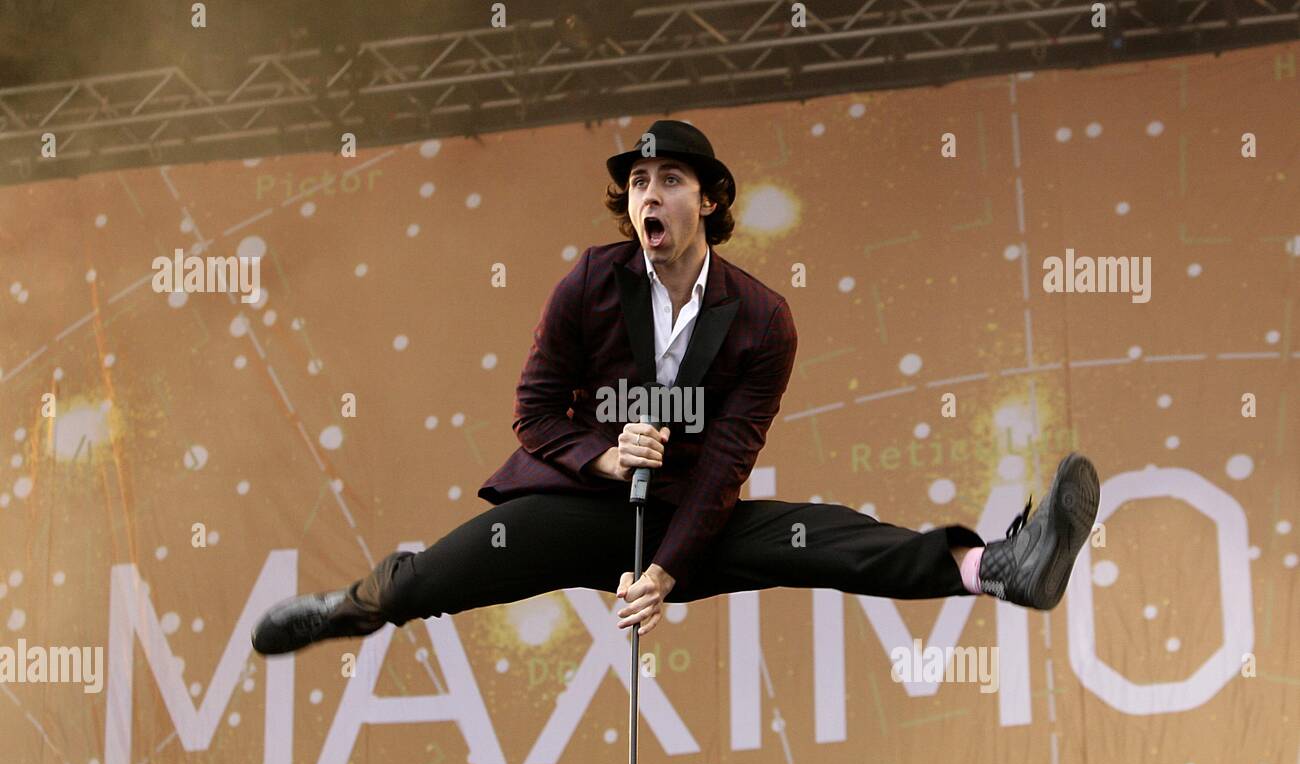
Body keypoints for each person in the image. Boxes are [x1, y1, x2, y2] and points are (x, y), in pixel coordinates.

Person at [252, 120, 1100, 657]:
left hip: (692, 518)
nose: (647, 195)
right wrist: (607, 456)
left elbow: (729, 458)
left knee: (818, 537)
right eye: (637, 184)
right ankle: (356, 605)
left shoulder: (763, 319)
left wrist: (662, 571)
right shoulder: (590, 282)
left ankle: (999, 567)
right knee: (430, 580)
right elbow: (534, 413)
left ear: (710, 200)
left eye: (667, 182)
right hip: (579, 510)